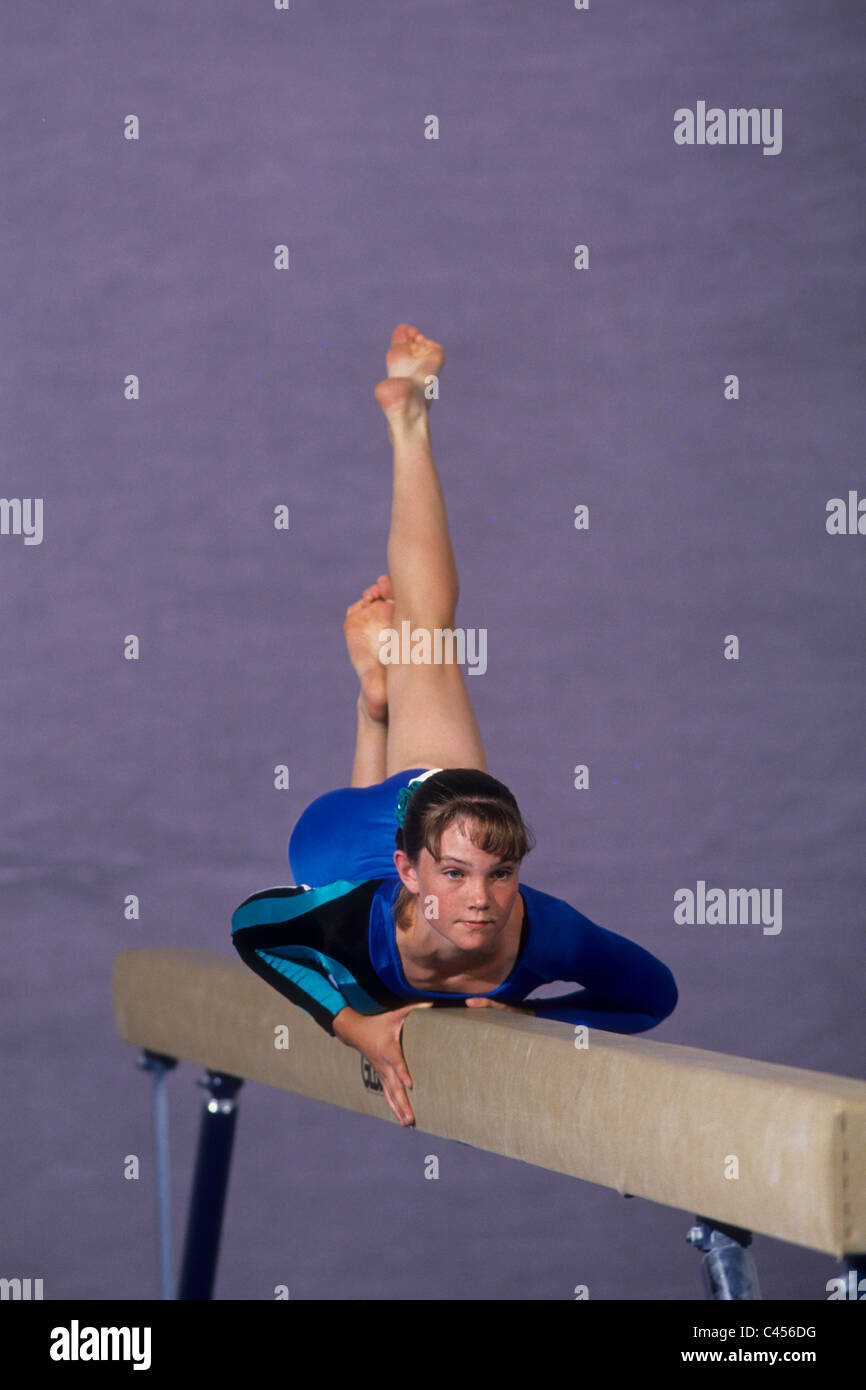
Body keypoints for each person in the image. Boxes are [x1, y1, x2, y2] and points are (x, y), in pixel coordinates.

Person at [232, 323, 677, 1127]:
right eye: (462, 879)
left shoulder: (542, 933)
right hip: (358, 837)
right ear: (413, 874)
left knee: (438, 772)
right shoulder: (355, 911)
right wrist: (354, 1025)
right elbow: (252, 926)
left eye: (502, 877)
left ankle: (377, 704)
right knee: (428, 633)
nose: (484, 902)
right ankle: (410, 423)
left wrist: (536, 1020)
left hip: (388, 843)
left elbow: (654, 996)